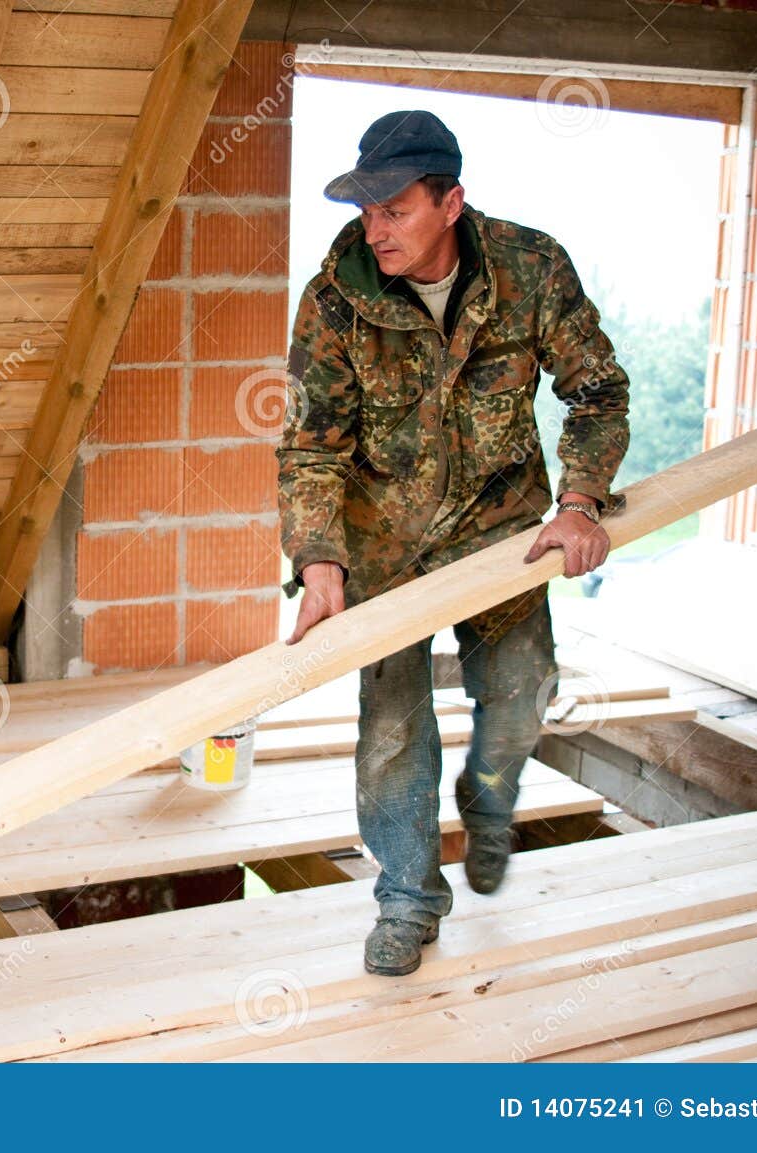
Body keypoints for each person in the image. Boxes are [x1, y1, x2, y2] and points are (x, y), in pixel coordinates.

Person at [277, 110, 631, 976]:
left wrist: (581, 500)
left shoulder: (530, 267)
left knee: (519, 697)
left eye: (395, 209)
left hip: (502, 534)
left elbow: (598, 391)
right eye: (367, 210)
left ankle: (488, 792)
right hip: (383, 548)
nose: (376, 228)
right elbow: (310, 444)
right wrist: (319, 558)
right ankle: (406, 898)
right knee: (392, 733)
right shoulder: (335, 296)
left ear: (452, 202)